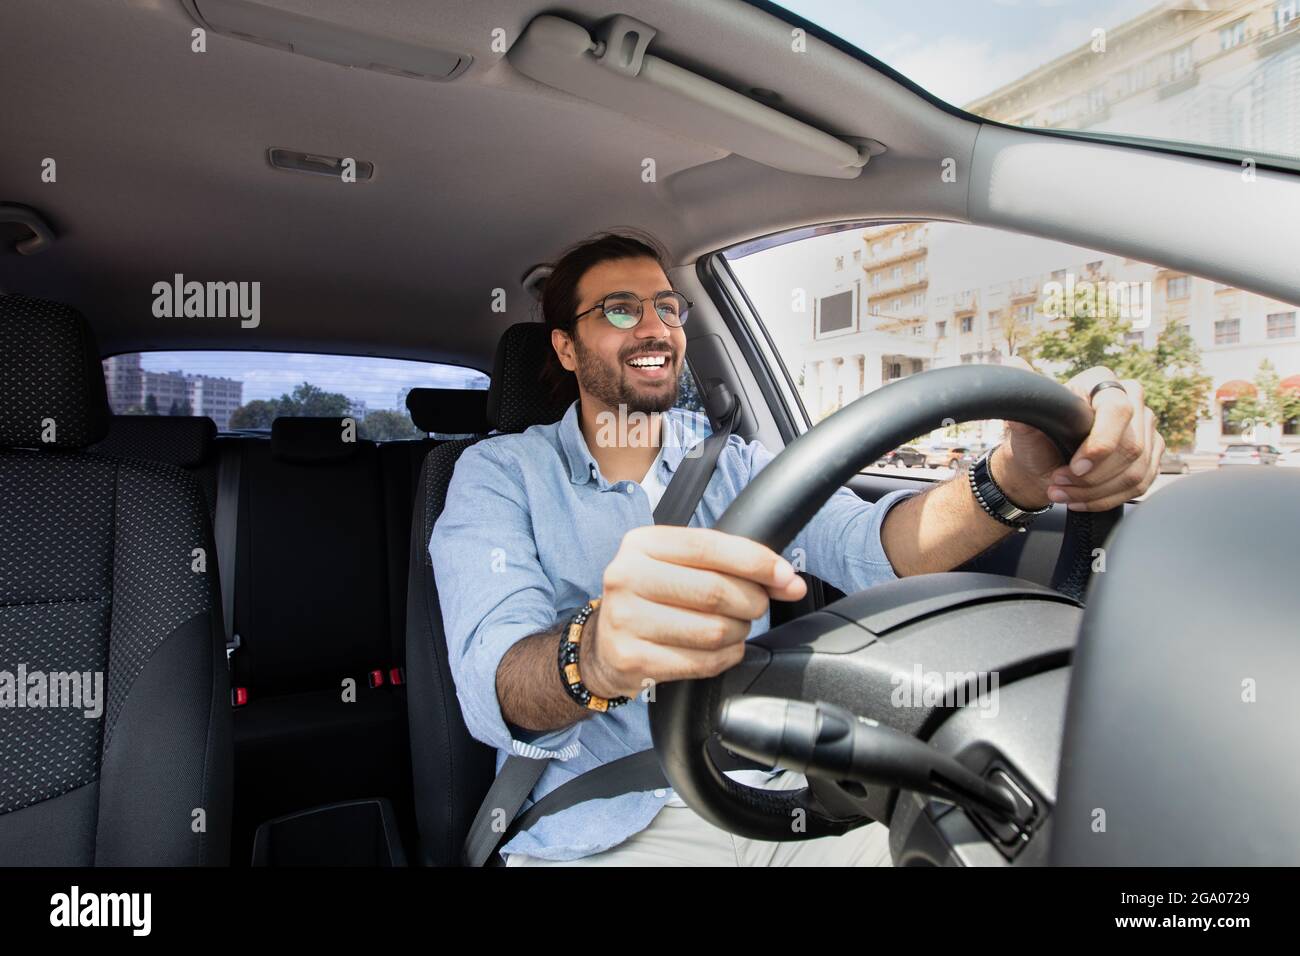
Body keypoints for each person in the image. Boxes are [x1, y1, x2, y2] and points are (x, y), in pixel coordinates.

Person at [430, 230, 1163, 866]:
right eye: (620, 309)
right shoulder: (499, 475)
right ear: (565, 345)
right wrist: (595, 654)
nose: (654, 328)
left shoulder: (733, 464)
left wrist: (1014, 478)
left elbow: (873, 548)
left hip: (768, 797)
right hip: (598, 828)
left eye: (666, 307)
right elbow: (493, 681)